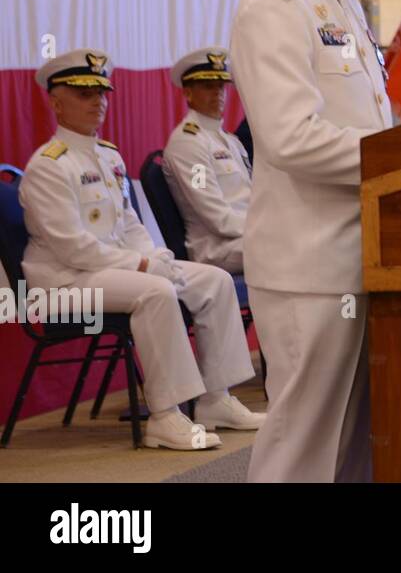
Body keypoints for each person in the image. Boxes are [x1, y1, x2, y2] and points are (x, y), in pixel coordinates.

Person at [229, 0, 401, 482]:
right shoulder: (275, 3)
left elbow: (364, 121)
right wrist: (398, 158)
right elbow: (290, 138)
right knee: (301, 449)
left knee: (353, 451)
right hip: (309, 267)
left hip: (357, 258)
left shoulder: (343, 3)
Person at [19, 49, 265, 449]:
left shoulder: (108, 156)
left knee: (215, 280)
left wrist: (156, 256)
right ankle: (166, 416)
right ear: (55, 101)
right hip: (62, 282)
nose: (97, 102)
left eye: (101, 93)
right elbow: (73, 248)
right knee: (156, 291)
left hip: (111, 269)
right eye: (83, 94)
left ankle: (216, 398)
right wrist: (144, 264)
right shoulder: (48, 166)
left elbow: (129, 224)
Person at [162, 48, 251, 273]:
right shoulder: (188, 144)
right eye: (208, 86)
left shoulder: (229, 140)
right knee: (292, 247)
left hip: (244, 237)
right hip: (216, 248)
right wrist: (265, 228)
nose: (218, 93)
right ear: (188, 93)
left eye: (221, 86)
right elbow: (216, 218)